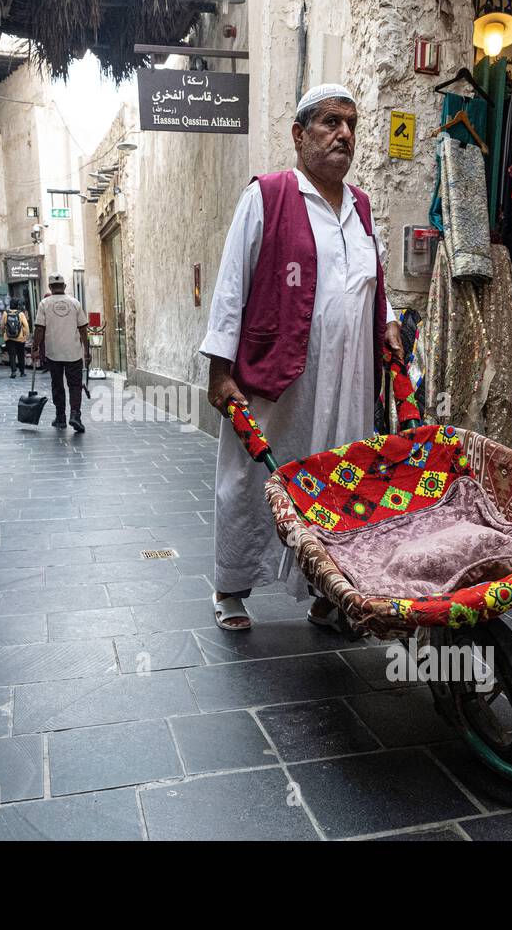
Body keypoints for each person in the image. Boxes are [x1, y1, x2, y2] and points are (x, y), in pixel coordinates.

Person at [199, 83, 404, 632]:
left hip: (351, 376)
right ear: (298, 134)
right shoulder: (267, 195)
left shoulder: (360, 206)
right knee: (253, 476)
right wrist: (220, 371)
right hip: (280, 371)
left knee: (339, 480)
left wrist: (387, 325)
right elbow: (230, 286)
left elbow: (372, 281)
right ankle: (232, 585)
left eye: (351, 125)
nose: (344, 134)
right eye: (330, 122)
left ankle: (326, 592)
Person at [33, 274, 90, 432]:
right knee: (75, 385)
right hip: (73, 352)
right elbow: (83, 329)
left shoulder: (44, 303)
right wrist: (87, 350)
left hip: (54, 353)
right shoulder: (75, 303)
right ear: (64, 287)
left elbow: (39, 328)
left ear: (50, 288)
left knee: (57, 385)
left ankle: (60, 418)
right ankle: (75, 415)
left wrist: (35, 348)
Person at [1, 296, 30, 378]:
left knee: (12, 355)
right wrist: (26, 335)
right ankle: (22, 372)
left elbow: (2, 325)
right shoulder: (20, 314)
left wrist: (3, 333)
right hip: (20, 338)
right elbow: (26, 325)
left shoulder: (5, 313)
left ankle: (13, 372)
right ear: (18, 305)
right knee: (21, 355)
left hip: (9, 338)